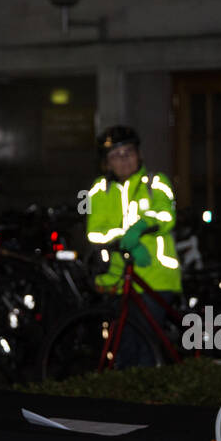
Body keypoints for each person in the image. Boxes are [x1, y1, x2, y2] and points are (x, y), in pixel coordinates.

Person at [84, 125, 181, 366]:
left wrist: (141, 227)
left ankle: (147, 396)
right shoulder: (100, 188)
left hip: (156, 277)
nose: (123, 159)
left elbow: (166, 215)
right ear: (107, 162)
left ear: (139, 154)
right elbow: (95, 232)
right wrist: (125, 239)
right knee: (122, 346)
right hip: (118, 278)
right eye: (116, 155)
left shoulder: (155, 182)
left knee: (145, 342)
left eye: (128, 152)